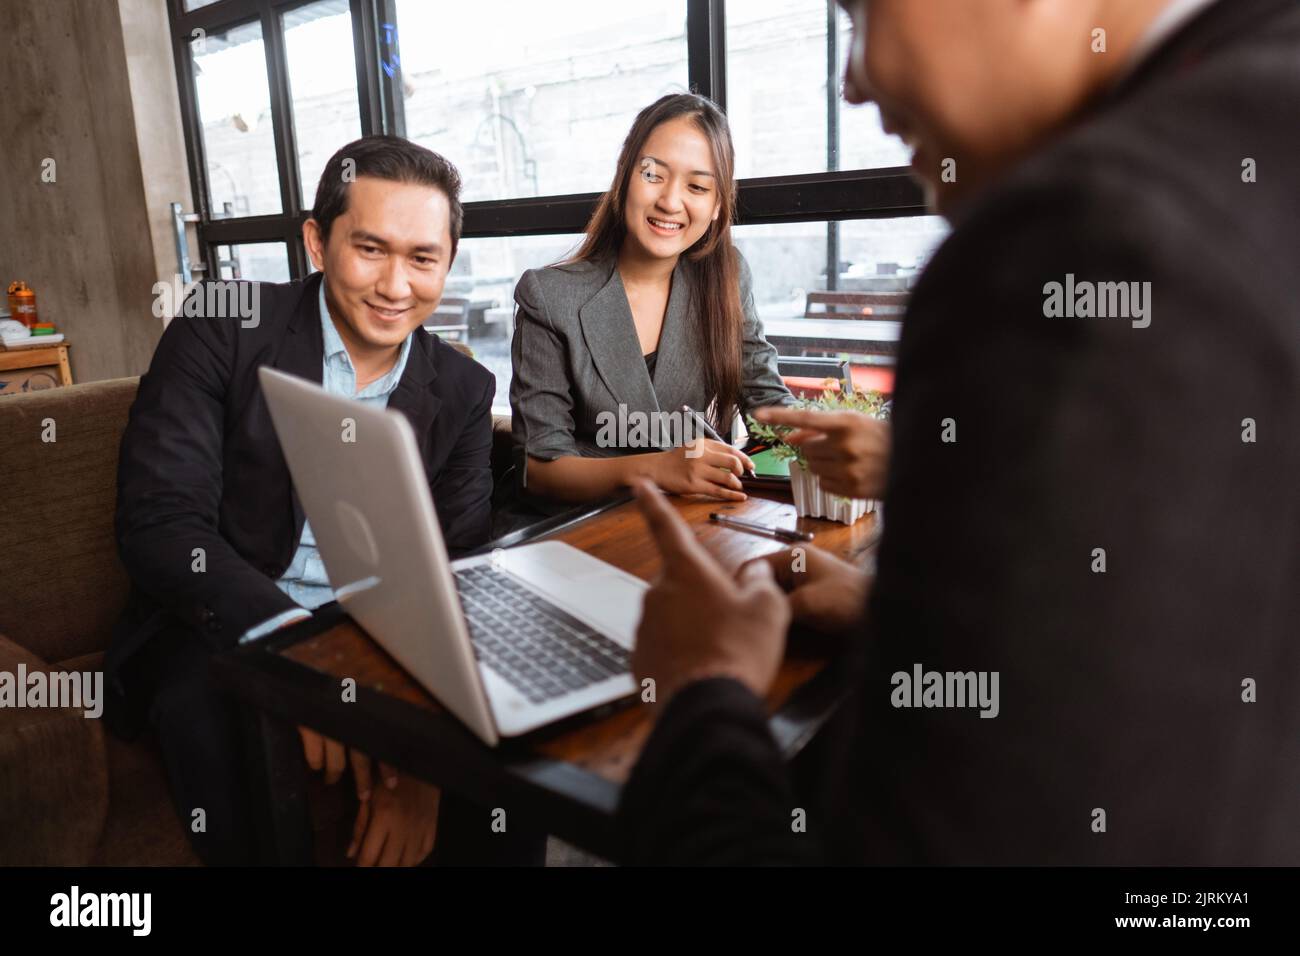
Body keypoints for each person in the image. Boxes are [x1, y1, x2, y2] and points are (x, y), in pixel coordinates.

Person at [616, 0, 1300, 864]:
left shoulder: (1083, 237)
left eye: (860, 11)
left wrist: (699, 688)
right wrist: (893, 611)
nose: (852, 78)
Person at [105, 136, 494, 866]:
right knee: (219, 717)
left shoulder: (465, 390)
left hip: (378, 631)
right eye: (370, 249)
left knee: (501, 750)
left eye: (423, 258)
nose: (395, 285)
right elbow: (160, 521)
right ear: (317, 241)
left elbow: (458, 569)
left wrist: (425, 759)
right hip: (226, 618)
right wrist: (300, 654)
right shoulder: (222, 324)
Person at [508, 93, 792, 510]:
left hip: (695, 518)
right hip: (579, 532)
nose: (671, 202)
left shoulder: (726, 276)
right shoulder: (549, 296)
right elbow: (540, 470)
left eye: (697, 186)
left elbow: (766, 403)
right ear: (624, 176)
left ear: (717, 205)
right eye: (653, 175)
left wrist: (824, 434)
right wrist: (657, 469)